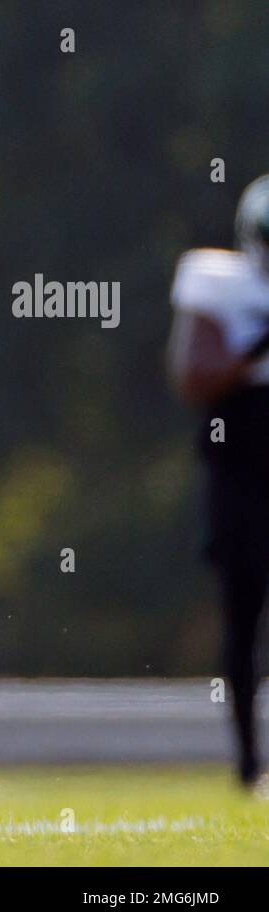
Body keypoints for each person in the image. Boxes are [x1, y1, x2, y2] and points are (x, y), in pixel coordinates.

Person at [168, 173, 269, 795]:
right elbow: (195, 376)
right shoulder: (218, 280)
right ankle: (249, 762)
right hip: (243, 469)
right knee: (243, 616)